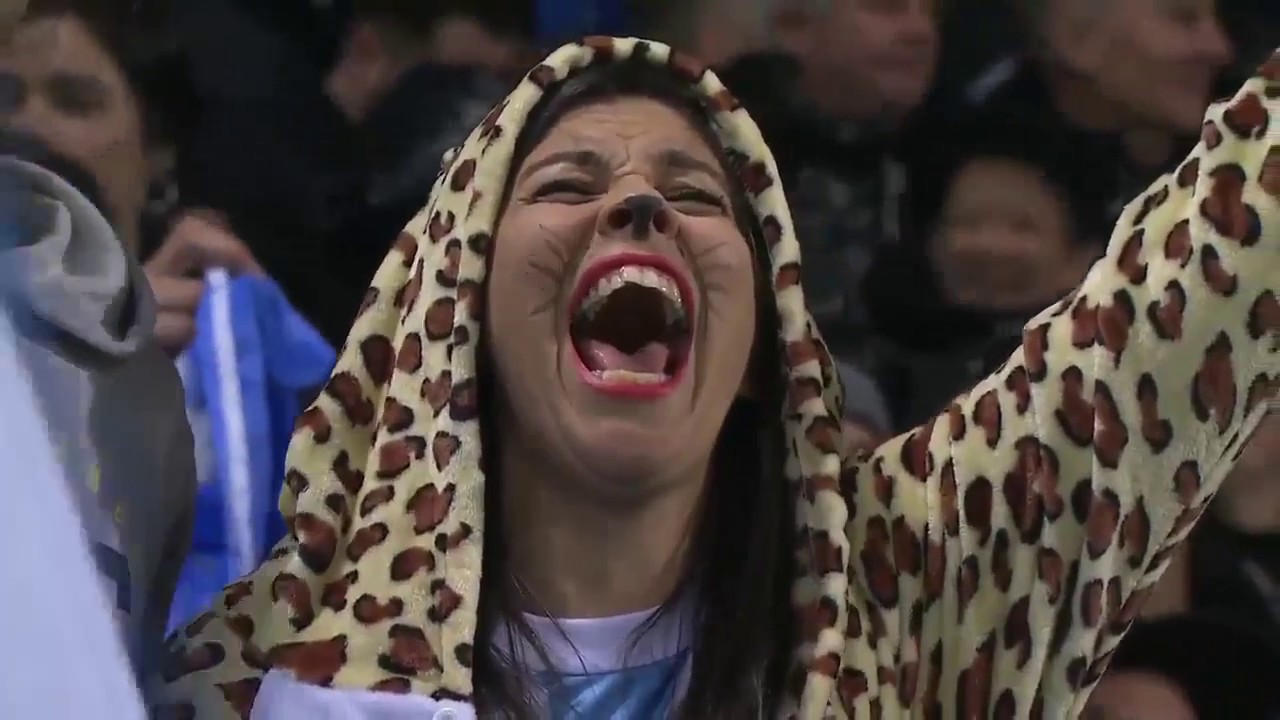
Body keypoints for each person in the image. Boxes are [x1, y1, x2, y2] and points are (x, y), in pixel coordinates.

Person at [155, 37, 1278, 718]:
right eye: (565, 185)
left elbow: (1197, 289)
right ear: (457, 318)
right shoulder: (258, 667)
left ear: (762, 356)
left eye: (694, 198)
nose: (636, 207)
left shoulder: (902, 591)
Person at [2, 0, 263, 356]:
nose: (24, 125)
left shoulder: (210, 345)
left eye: (75, 103)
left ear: (155, 152)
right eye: (3, 98)